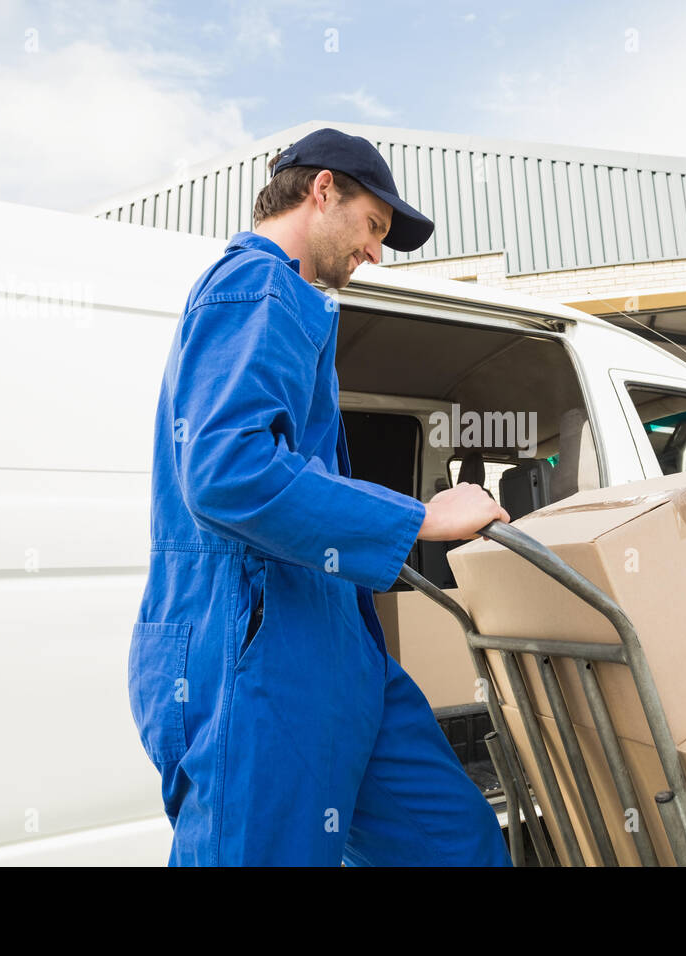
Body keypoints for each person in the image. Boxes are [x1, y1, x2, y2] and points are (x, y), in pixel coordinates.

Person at [126, 127, 513, 866]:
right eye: (374, 226)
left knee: (455, 844)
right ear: (323, 188)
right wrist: (422, 516)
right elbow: (227, 470)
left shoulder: (292, 302)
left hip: (336, 650)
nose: (374, 252)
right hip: (260, 658)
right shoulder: (256, 284)